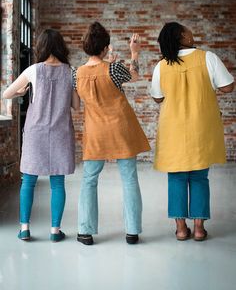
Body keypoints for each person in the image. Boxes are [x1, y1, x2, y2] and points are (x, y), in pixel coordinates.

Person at [151, 22, 234, 241]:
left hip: (173, 128)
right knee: (199, 176)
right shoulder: (207, 58)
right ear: (182, 37)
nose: (192, 32)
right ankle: (198, 229)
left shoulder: (162, 66)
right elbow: (228, 86)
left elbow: (157, 97)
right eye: (188, 30)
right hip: (201, 126)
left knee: (176, 177)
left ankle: (180, 229)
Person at [76, 21, 150, 245]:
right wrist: (134, 53)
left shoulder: (76, 73)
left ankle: (85, 232)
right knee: (129, 178)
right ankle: (132, 231)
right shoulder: (114, 68)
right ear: (105, 48)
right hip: (120, 129)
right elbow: (134, 76)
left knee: (89, 179)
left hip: (95, 132)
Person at [3, 29, 80, 242]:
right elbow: (76, 105)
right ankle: (55, 231)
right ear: (60, 47)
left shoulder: (33, 70)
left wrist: (20, 93)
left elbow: (6, 93)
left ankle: (25, 228)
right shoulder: (71, 71)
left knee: (28, 181)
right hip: (61, 132)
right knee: (58, 183)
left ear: (41, 47)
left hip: (36, 132)